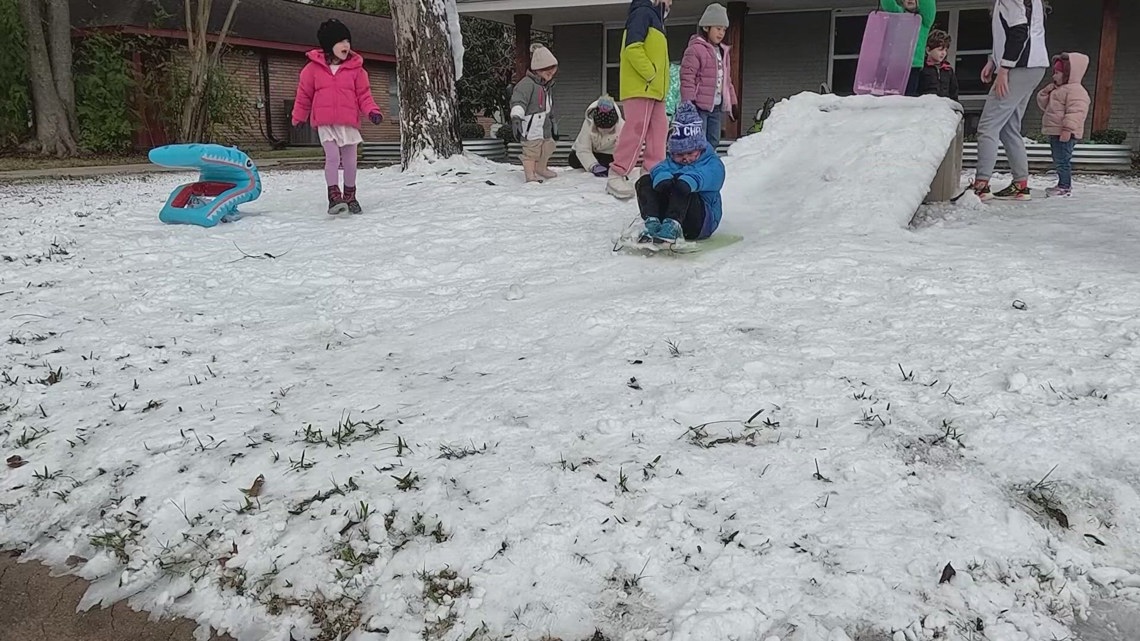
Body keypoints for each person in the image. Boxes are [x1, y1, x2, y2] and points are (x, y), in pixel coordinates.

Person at [292, 19, 383, 215]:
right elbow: (303, 96)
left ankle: (350, 195)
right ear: (328, 45)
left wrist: (372, 111)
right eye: (340, 41)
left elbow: (364, 95)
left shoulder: (357, 70)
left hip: (348, 122)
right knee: (332, 157)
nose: (346, 46)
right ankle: (334, 196)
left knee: (350, 160)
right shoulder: (312, 70)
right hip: (325, 122)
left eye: (347, 41)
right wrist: (299, 117)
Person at [969, 0, 1049, 201]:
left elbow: (1019, 31)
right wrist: (993, 60)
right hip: (1033, 66)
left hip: (1018, 67)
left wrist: (1003, 68)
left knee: (988, 126)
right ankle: (1020, 184)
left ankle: (981, 185)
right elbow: (1020, 30)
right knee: (1008, 127)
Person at [606, 0, 673, 200]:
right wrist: (650, 74)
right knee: (636, 129)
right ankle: (618, 172)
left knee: (659, 130)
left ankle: (653, 172)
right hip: (641, 86)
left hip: (655, 90)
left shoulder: (657, 18)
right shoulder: (643, 12)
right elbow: (633, 48)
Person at [635, 102, 725, 245]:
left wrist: (689, 181)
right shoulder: (672, 161)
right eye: (679, 154)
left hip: (700, 222)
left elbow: (711, 176)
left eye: (690, 153)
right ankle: (652, 223)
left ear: (700, 149)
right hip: (671, 213)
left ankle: (673, 227)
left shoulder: (711, 162)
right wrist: (662, 178)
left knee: (682, 183)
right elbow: (659, 168)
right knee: (645, 181)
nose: (685, 158)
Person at [680, 3, 738, 148]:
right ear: (706, 28)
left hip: (716, 107)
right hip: (699, 106)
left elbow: (727, 81)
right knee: (698, 141)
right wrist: (689, 102)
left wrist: (733, 102)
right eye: (718, 29)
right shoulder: (695, 50)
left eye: (724, 30)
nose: (721, 33)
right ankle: (697, 168)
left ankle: (709, 168)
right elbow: (687, 77)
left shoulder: (723, 52)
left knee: (713, 140)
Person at [1036, 52, 1090, 197]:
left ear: (1068, 73)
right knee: (1058, 159)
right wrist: (1045, 93)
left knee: (1063, 160)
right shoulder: (1059, 90)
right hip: (1056, 131)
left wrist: (1067, 129)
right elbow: (1046, 107)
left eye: (1058, 73)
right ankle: (1062, 183)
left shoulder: (1076, 91)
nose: (1054, 76)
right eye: (1054, 73)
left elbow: (1076, 112)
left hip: (1065, 132)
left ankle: (1065, 186)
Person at [510, 44, 559, 183]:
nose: (550, 74)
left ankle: (541, 168)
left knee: (548, 146)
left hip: (545, 126)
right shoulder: (527, 84)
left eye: (553, 70)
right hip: (531, 126)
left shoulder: (546, 86)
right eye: (547, 71)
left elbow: (549, 106)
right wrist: (516, 118)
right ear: (538, 69)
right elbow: (518, 101)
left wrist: (553, 121)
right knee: (531, 151)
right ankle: (530, 174)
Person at [878, 0, 936, 97]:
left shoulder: (924, 20)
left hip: (913, 66)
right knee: (892, 98)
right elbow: (888, 4)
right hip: (895, 65)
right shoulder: (898, 14)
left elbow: (928, 5)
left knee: (909, 98)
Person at [569, 96, 624, 177]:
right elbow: (583, 148)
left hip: (608, 153)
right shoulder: (588, 124)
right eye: (601, 128)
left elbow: (624, 151)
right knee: (573, 159)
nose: (605, 131)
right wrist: (592, 165)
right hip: (591, 151)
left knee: (609, 163)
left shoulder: (622, 127)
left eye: (608, 128)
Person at [917, 30, 959, 101]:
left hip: (945, 107)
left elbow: (954, 93)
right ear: (928, 50)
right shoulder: (921, 68)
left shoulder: (948, 70)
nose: (943, 53)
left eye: (945, 50)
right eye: (940, 50)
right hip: (926, 107)